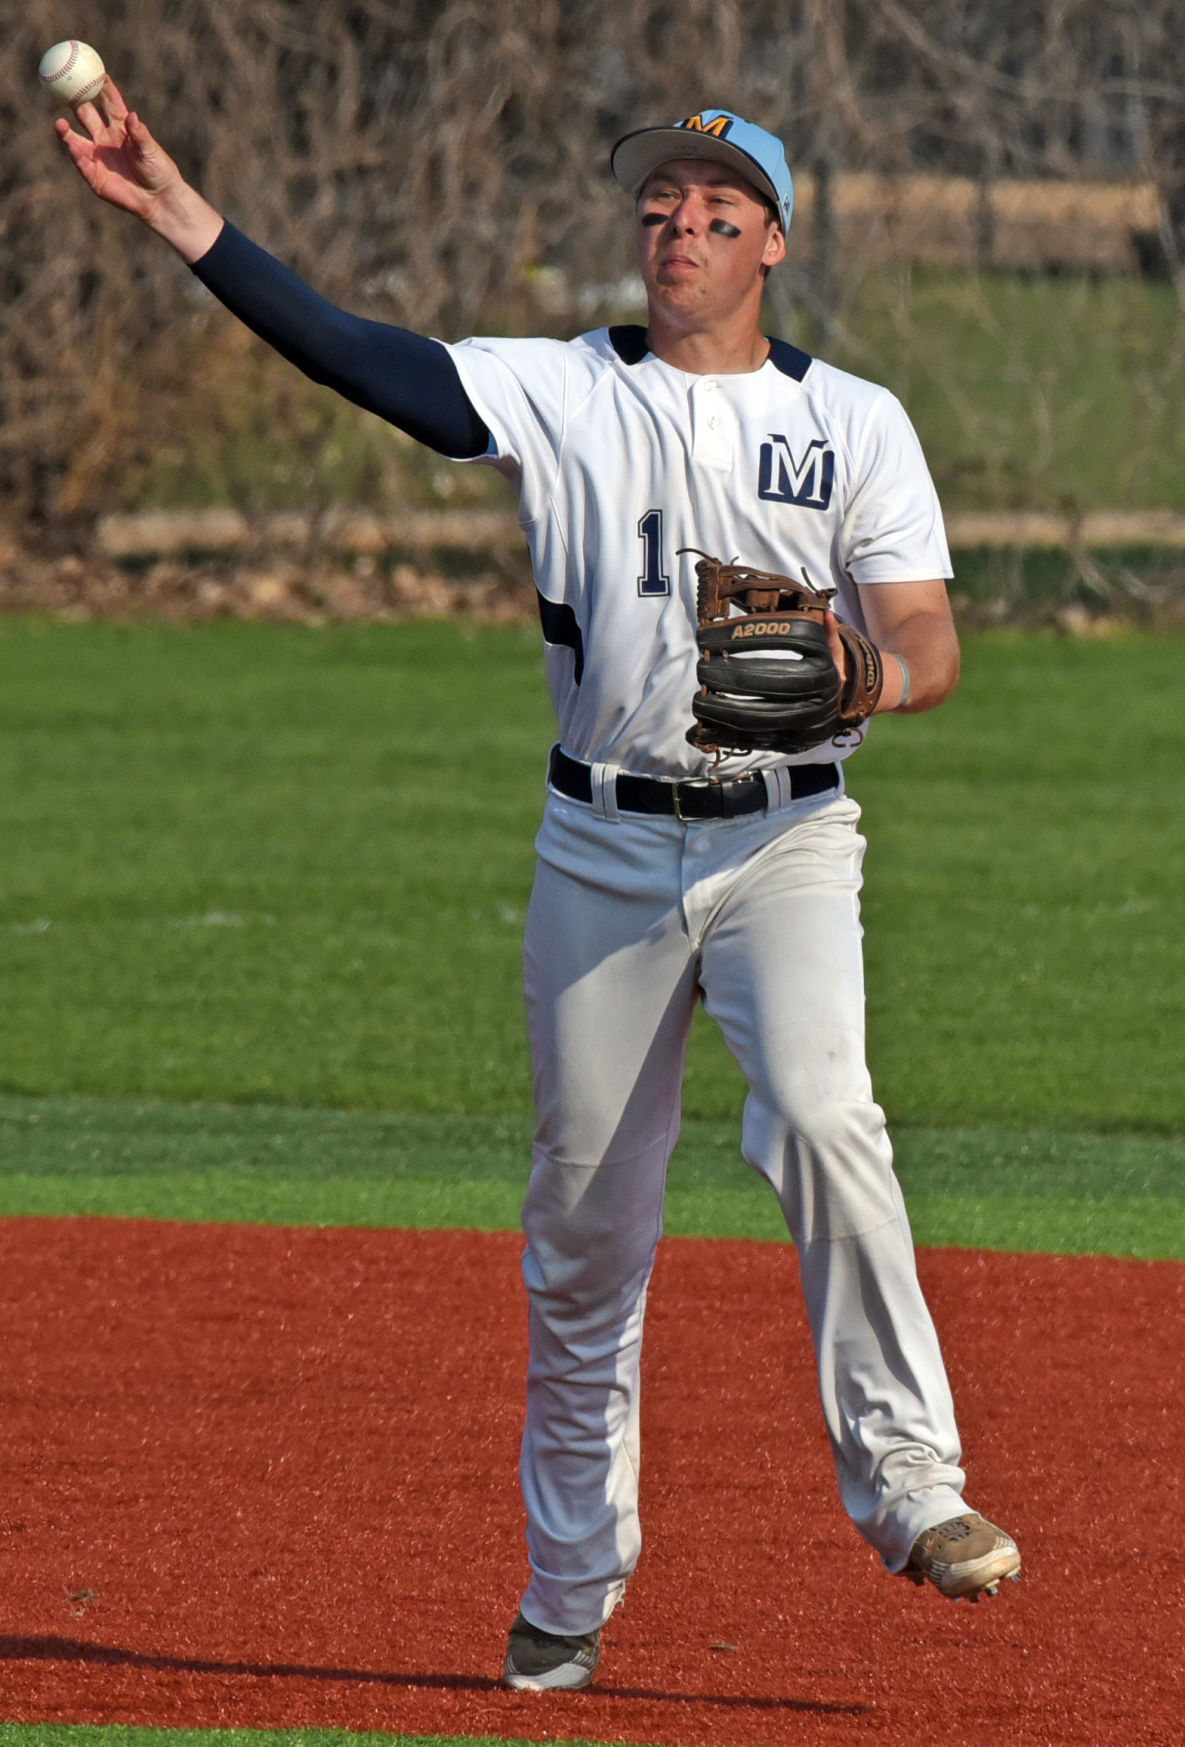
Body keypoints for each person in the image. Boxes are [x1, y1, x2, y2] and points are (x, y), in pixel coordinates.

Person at [56, 86, 1021, 1691]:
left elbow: (927, 640)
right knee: (584, 1231)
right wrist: (178, 213)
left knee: (824, 1112)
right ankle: (570, 1579)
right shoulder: (561, 388)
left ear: (773, 242)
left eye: (721, 207)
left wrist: (868, 677)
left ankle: (911, 1483)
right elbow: (370, 359)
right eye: (661, 203)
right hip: (601, 850)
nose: (683, 225)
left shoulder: (855, 420)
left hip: (784, 834)